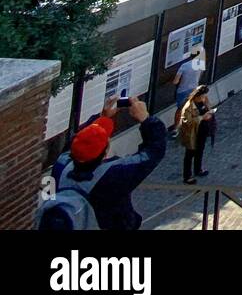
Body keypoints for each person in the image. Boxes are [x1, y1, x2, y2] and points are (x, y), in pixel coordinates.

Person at [40, 97, 167, 231]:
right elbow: (154, 151)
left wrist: (101, 118)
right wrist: (146, 119)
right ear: (105, 152)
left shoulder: (61, 166)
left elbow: (77, 141)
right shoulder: (113, 175)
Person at [178, 86, 217, 184]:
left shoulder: (203, 101)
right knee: (190, 154)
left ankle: (198, 169)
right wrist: (202, 118)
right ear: (197, 96)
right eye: (203, 96)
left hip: (202, 131)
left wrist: (210, 113)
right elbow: (187, 122)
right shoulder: (189, 107)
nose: (204, 98)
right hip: (192, 134)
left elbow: (207, 109)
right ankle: (187, 176)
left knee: (200, 150)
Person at [169, 49, 204, 134]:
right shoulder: (201, 65)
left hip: (183, 91)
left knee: (180, 109)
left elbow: (175, 81)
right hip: (195, 89)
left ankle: (176, 129)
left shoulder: (184, 66)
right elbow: (200, 76)